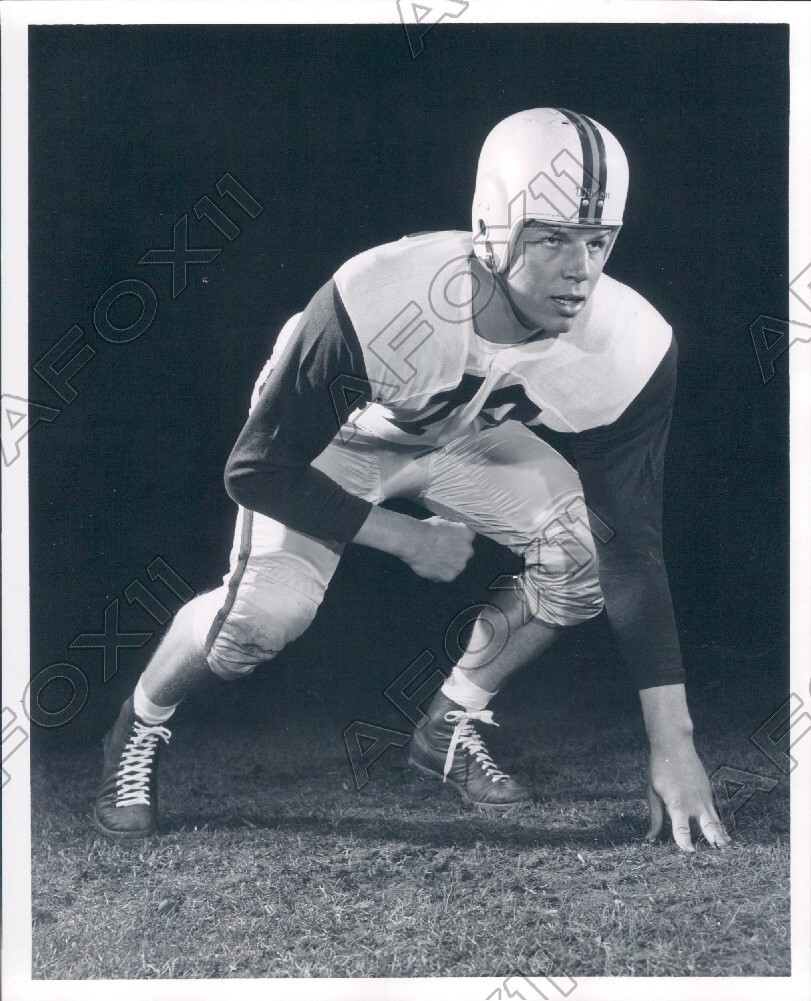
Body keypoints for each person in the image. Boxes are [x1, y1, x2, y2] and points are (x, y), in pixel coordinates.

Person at [94, 108, 730, 853]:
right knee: (259, 624)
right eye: (552, 236)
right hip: (331, 442)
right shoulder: (385, 294)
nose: (580, 267)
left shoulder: (629, 341)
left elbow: (633, 548)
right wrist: (399, 536)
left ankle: (448, 725)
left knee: (584, 554)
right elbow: (256, 468)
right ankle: (139, 721)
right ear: (493, 225)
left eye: (597, 240)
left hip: (461, 437)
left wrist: (673, 740)